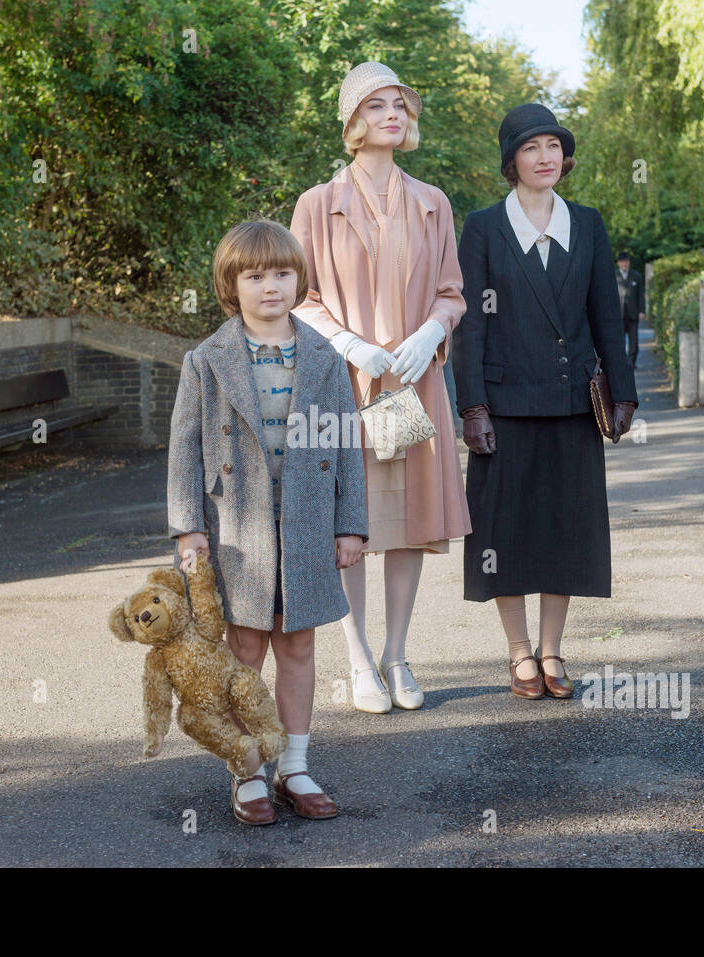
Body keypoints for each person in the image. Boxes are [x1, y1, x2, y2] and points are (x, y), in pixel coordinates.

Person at [167, 220, 368, 825]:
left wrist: (350, 524)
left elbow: (347, 444)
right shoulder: (207, 360)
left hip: (306, 522)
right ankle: (248, 770)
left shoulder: (327, 358)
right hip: (237, 530)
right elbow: (183, 449)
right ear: (232, 285)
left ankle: (296, 767)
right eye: (254, 276)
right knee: (246, 648)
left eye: (281, 273)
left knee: (299, 644)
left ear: (298, 279)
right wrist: (189, 528)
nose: (270, 286)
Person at [290, 61, 470, 714]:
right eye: (376, 105)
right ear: (351, 122)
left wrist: (430, 334)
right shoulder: (316, 204)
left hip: (412, 386)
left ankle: (397, 652)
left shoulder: (432, 202)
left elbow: (452, 292)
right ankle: (358, 655)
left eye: (400, 104)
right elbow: (300, 297)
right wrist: (348, 343)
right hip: (345, 388)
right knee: (351, 523)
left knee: (407, 518)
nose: (393, 113)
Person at [453, 103, 638, 699]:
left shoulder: (587, 223)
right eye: (532, 148)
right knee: (503, 532)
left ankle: (552, 650)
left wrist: (625, 392)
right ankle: (517, 654)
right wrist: (472, 407)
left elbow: (607, 314)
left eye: (554, 147)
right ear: (512, 161)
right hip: (505, 405)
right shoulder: (483, 227)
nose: (545, 157)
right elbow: (470, 326)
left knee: (566, 531)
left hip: (572, 402)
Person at [614, 251, 645, 368]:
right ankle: (621, 362)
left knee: (634, 340)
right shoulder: (614, 276)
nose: (625, 264)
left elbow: (640, 295)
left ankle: (632, 362)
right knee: (619, 340)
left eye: (626, 261)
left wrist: (642, 311)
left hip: (633, 313)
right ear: (618, 263)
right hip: (619, 314)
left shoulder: (636, 276)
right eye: (622, 262)